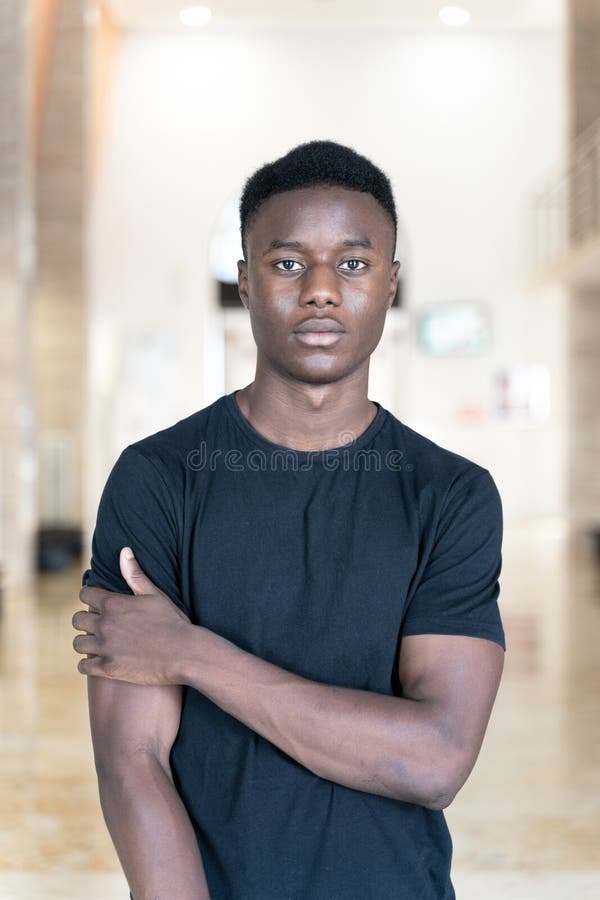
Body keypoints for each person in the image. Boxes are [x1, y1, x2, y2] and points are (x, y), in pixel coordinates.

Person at [72, 140, 505, 900]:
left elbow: (434, 761)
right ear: (244, 281)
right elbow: (130, 757)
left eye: (354, 263)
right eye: (287, 263)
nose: (321, 291)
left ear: (390, 284)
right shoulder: (159, 480)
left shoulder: (452, 496)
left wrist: (193, 654)